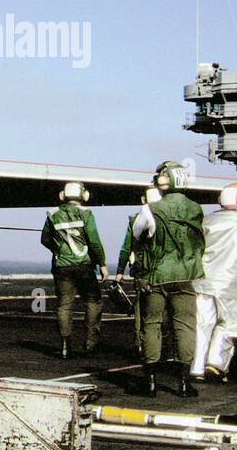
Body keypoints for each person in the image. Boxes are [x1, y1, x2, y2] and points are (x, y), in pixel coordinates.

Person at [133, 161, 206, 397]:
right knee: (185, 326)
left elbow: (137, 233)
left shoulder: (151, 209)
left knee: (152, 324)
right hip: (186, 276)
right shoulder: (196, 208)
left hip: (157, 276)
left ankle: (151, 382)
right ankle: (184, 383)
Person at [41, 182, 106, 358]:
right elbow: (94, 241)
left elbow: (45, 239)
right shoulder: (86, 214)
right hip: (84, 266)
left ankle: (64, 345)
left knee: (64, 305)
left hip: (62, 267)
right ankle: (91, 342)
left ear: (63, 195)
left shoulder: (53, 214)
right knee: (93, 301)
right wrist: (103, 264)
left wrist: (59, 250)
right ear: (83, 196)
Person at [191, 183, 237, 384]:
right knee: (231, 324)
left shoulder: (207, 220)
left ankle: (196, 368)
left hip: (202, 280)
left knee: (202, 325)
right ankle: (216, 362)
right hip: (231, 281)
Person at [115, 188, 160, 354]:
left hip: (142, 270)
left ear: (143, 200)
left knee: (141, 310)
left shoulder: (136, 220)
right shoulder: (170, 217)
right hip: (165, 271)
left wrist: (120, 271)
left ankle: (141, 344)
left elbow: (127, 247)